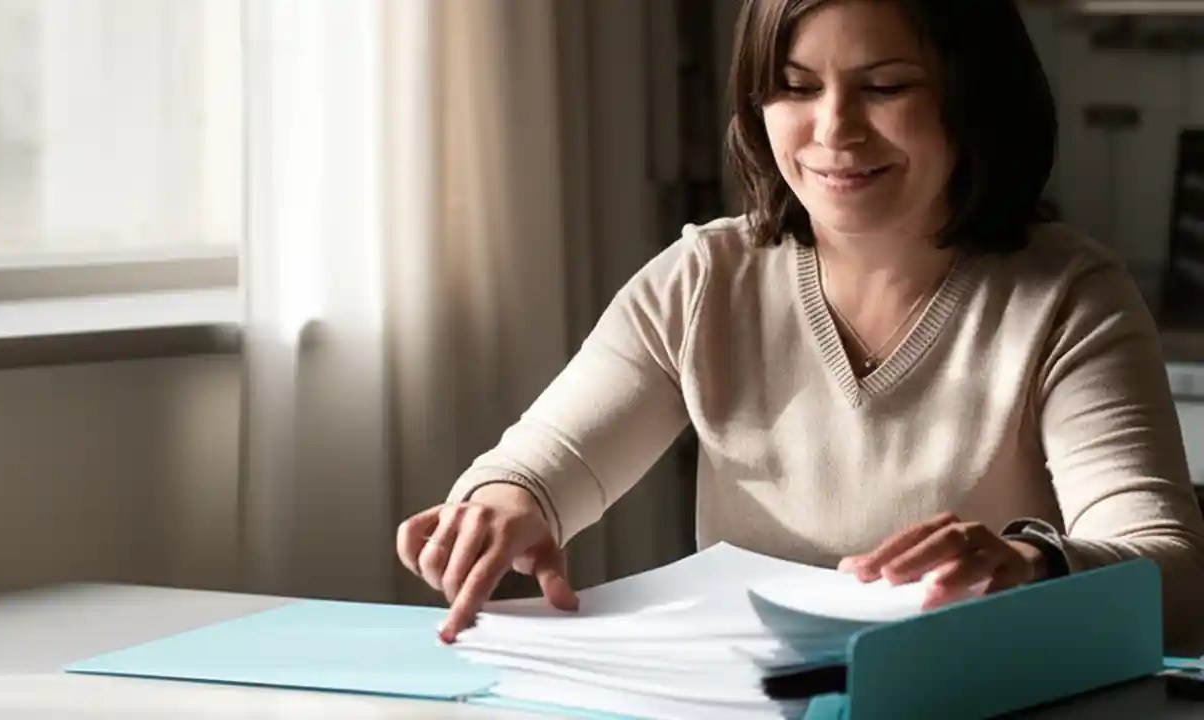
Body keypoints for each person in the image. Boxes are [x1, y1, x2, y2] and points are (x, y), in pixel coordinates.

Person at [397, 0, 1204, 654]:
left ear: (974, 96)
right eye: (794, 87)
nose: (834, 130)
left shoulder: (1068, 296)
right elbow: (545, 464)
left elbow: (1175, 577)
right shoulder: (705, 278)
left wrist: (1034, 565)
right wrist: (503, 504)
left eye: (885, 86)